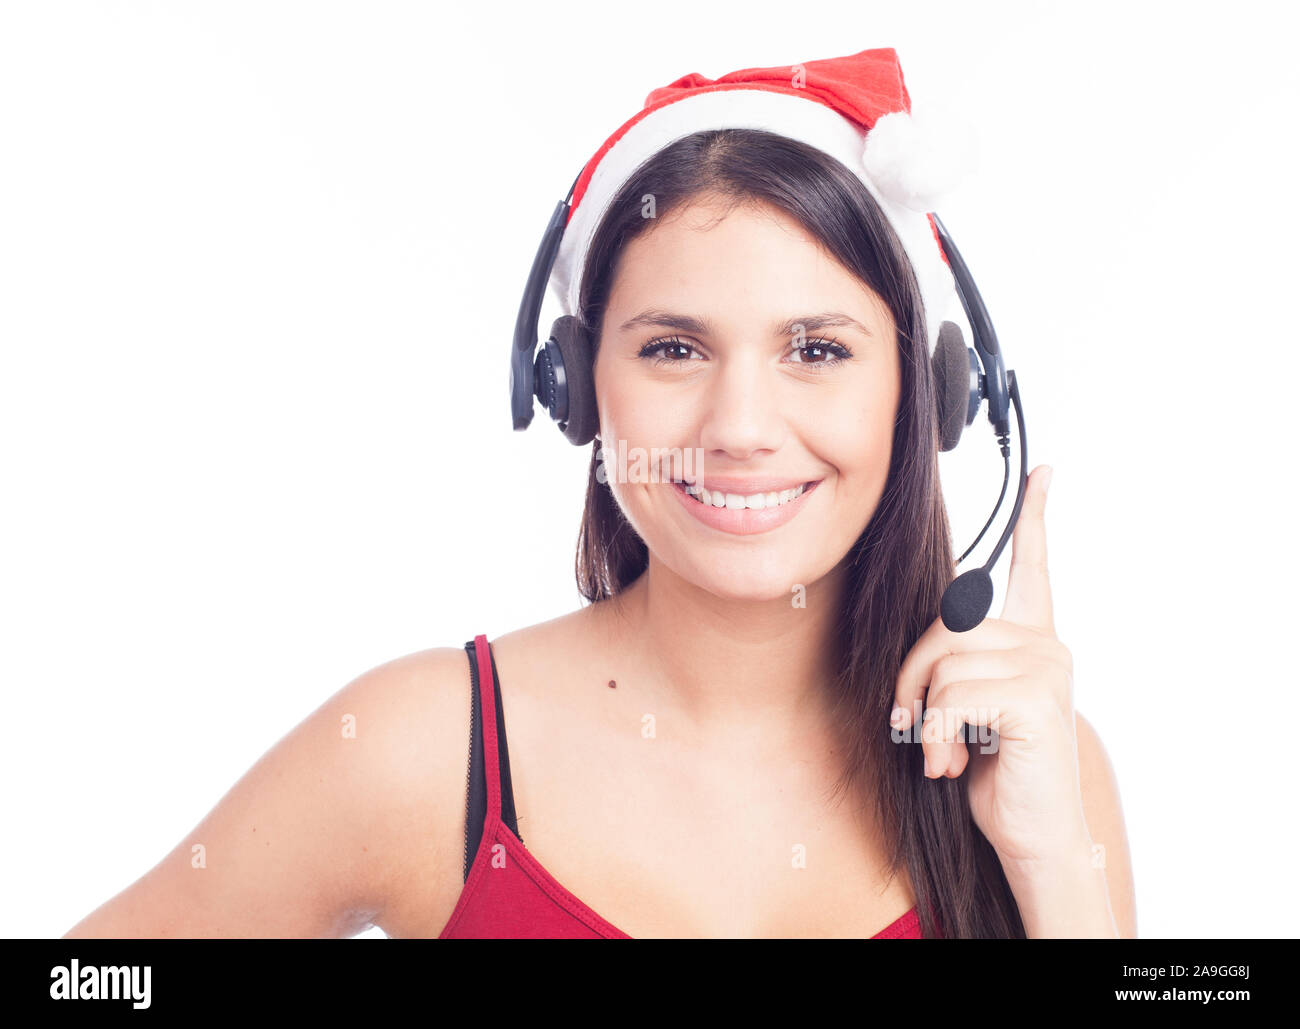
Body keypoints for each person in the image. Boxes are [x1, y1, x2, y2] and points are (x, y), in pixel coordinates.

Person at [63, 48, 1136, 939]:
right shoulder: (426, 748)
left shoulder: (1037, 763)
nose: (740, 428)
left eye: (816, 349)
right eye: (673, 348)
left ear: (930, 392)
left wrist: (1055, 873)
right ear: (574, 387)